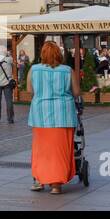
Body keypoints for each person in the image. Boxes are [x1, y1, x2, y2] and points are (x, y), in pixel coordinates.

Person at [27, 41, 78, 195]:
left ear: (42, 54)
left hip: (41, 115)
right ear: (59, 54)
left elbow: (30, 90)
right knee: (60, 150)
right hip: (63, 115)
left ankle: (40, 179)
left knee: (41, 150)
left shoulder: (34, 69)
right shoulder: (67, 70)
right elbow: (76, 92)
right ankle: (56, 185)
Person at [0, 46, 15, 125]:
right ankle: (10, 118)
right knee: (9, 101)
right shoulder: (9, 59)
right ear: (5, 51)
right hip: (7, 83)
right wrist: (7, 54)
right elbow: (12, 63)